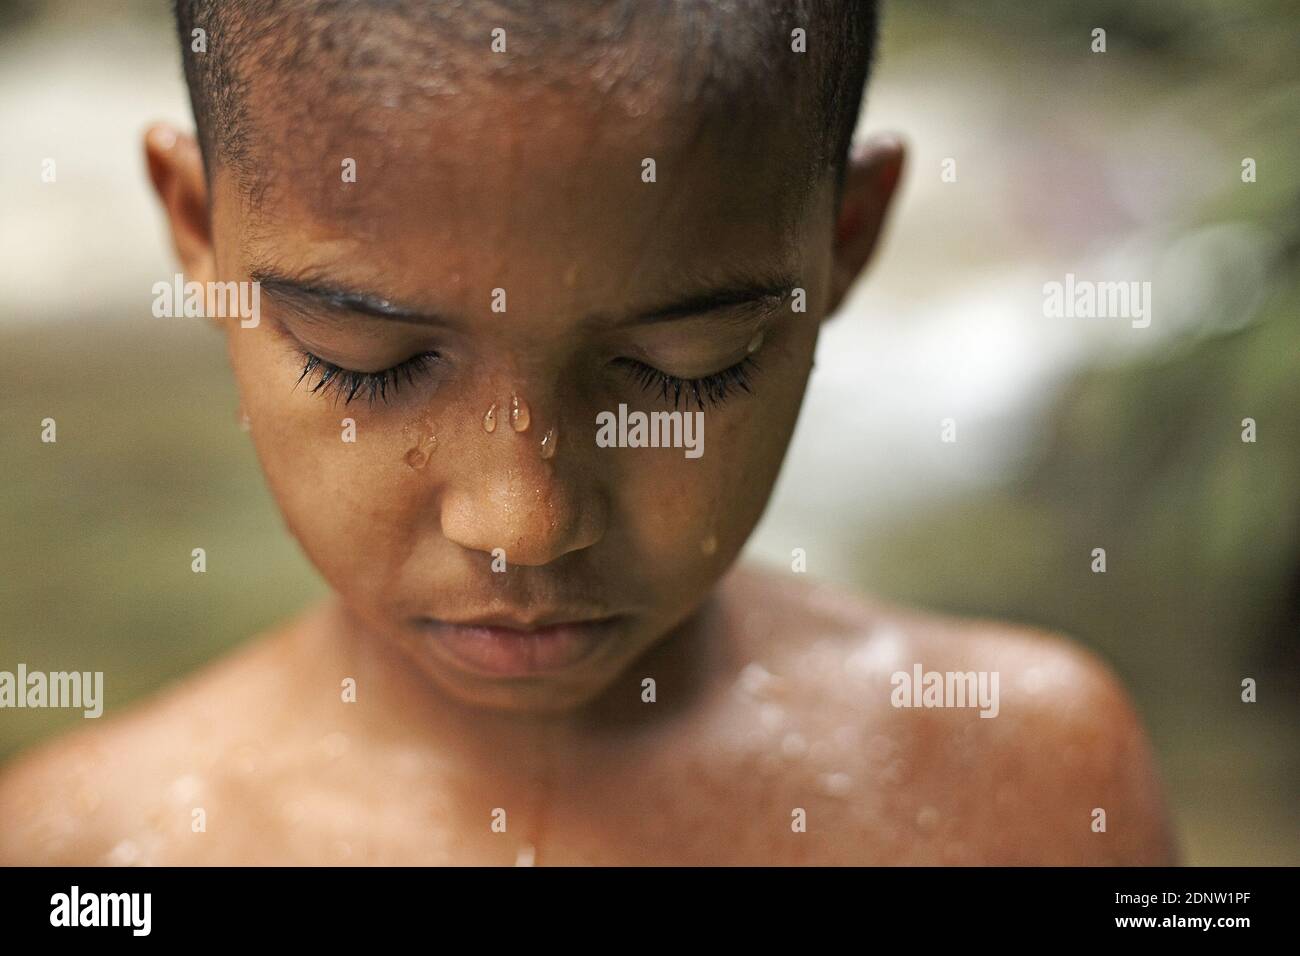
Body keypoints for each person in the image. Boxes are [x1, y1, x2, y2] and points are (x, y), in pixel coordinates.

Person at [0, 0, 1175, 865]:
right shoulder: (88, 853)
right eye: (372, 362)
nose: (524, 521)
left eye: (683, 370)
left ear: (844, 241)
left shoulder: (1032, 786)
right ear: (199, 231)